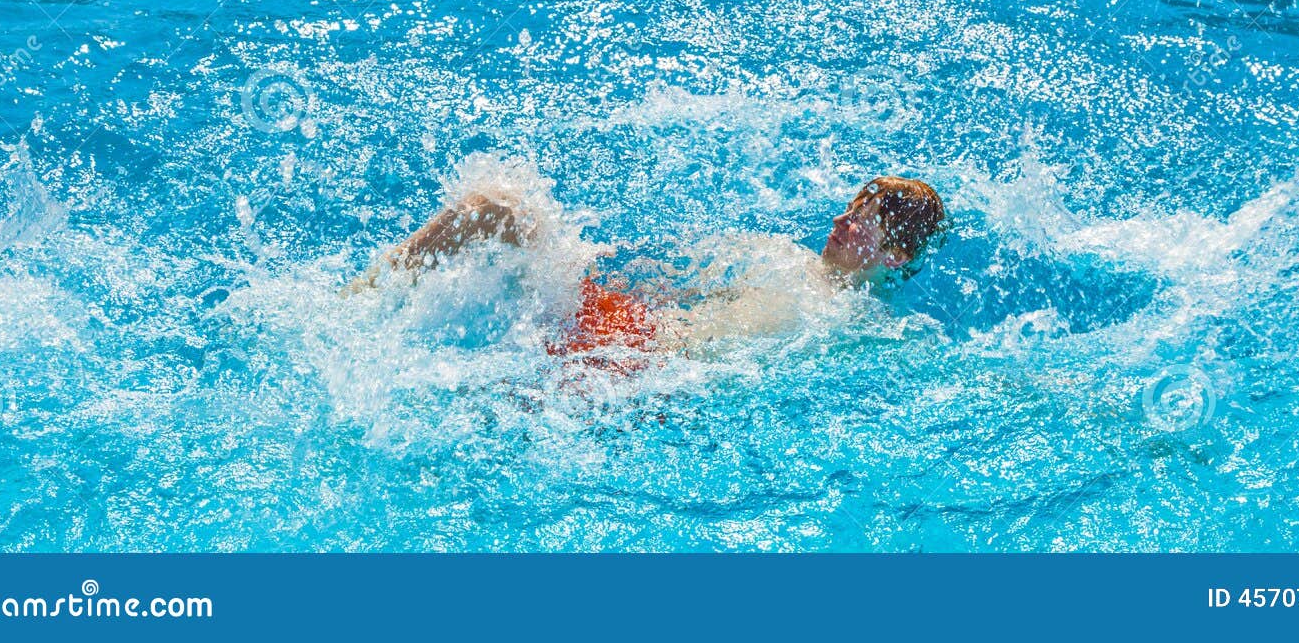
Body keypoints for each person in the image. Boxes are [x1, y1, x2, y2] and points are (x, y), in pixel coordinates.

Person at [346, 174, 947, 359]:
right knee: (497, 206)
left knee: (500, 211)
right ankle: (363, 294)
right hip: (629, 328)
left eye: (863, 218)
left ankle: (359, 307)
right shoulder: (781, 254)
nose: (841, 221)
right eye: (848, 206)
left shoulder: (855, 322)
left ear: (896, 254)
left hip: (643, 369)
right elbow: (678, 285)